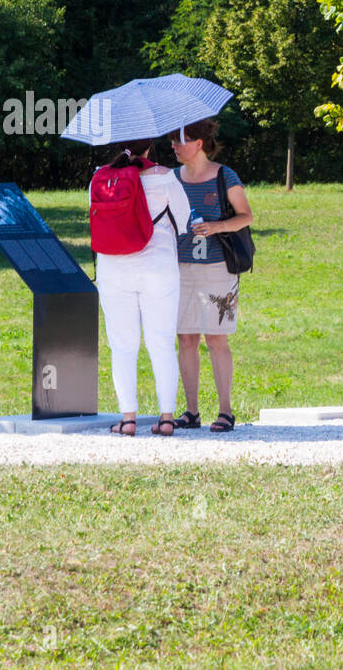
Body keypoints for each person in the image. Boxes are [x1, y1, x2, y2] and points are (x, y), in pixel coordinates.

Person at [92, 138, 191, 436]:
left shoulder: (99, 177)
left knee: (122, 346)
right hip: (158, 267)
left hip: (113, 267)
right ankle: (166, 418)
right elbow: (183, 220)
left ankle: (128, 418)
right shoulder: (166, 177)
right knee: (161, 342)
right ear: (149, 146)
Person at [168, 118, 254, 433]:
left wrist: (216, 227)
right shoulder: (171, 179)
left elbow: (246, 216)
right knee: (186, 338)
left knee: (216, 338)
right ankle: (191, 412)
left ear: (199, 143)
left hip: (219, 268)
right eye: (173, 141)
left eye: (180, 140)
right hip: (180, 268)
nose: (174, 147)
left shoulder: (224, 176)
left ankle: (225, 411)